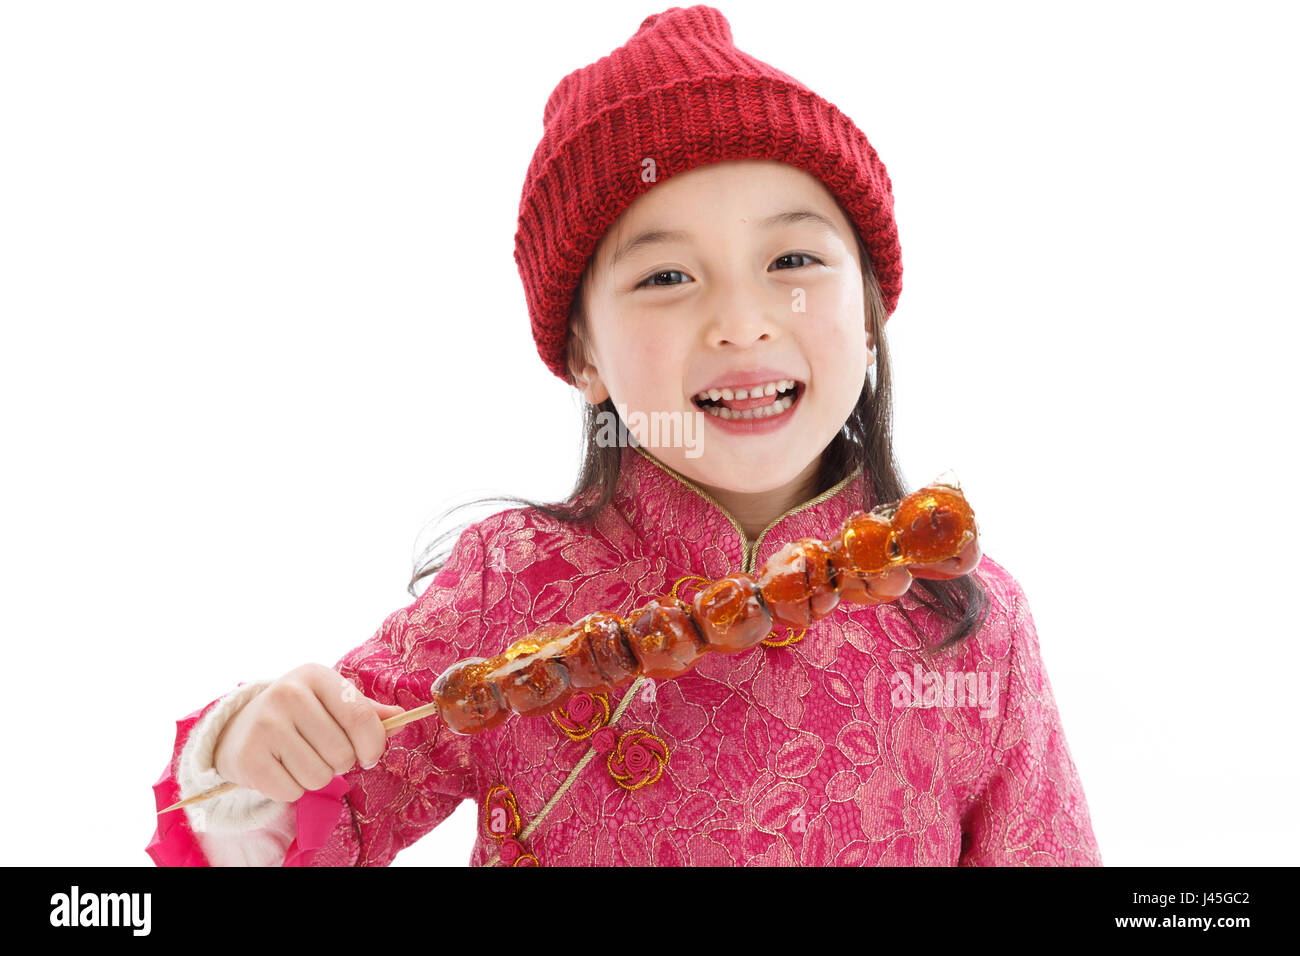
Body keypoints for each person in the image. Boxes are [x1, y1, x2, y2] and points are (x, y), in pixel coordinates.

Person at [147, 4, 1102, 867]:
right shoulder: (509, 585)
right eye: (665, 278)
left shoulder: (970, 625)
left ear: (866, 311)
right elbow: (311, 830)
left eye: (794, 259)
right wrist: (245, 747)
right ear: (585, 355)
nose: (741, 321)